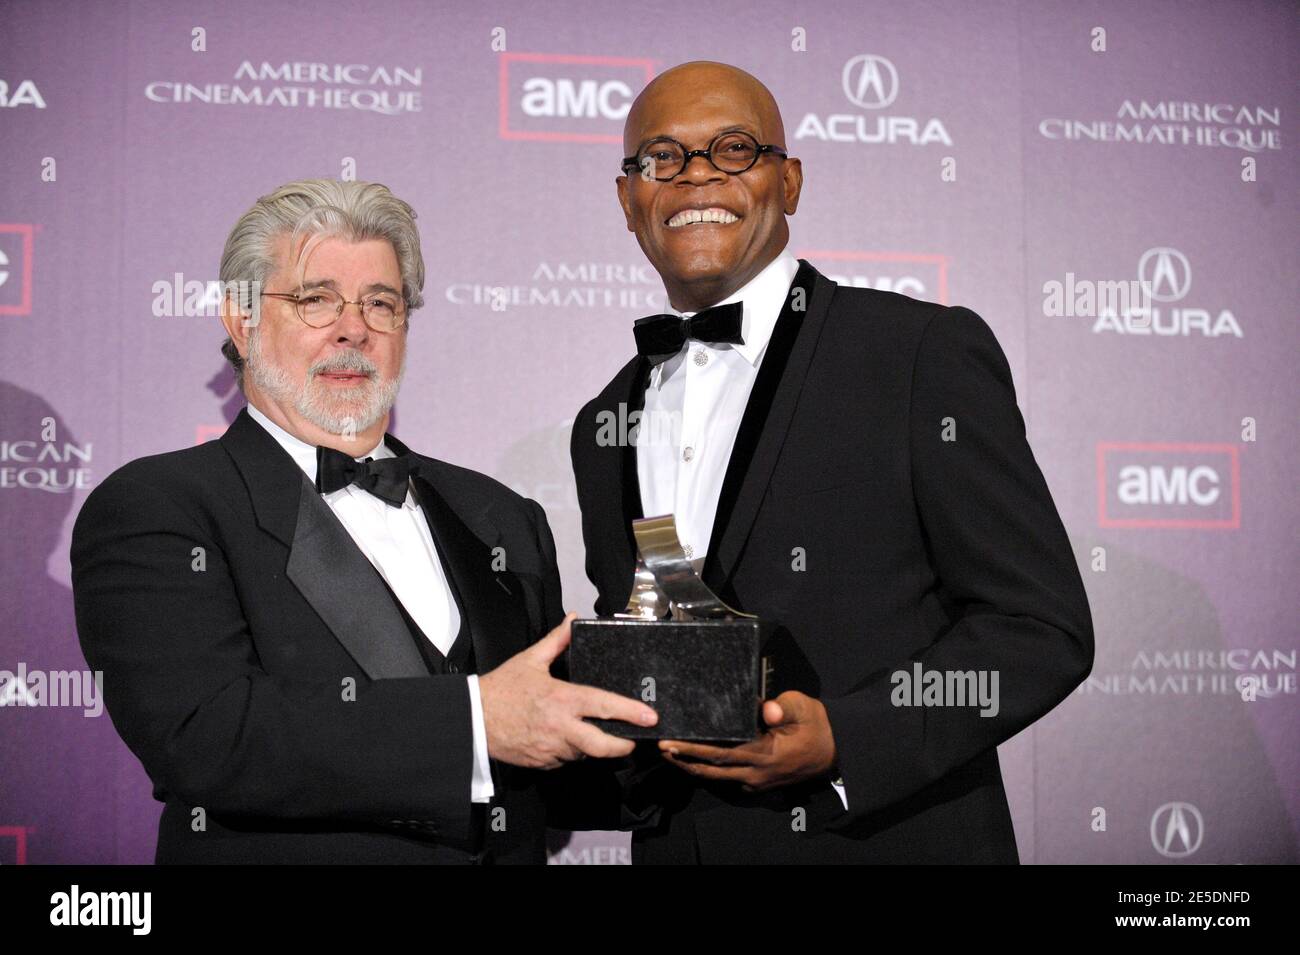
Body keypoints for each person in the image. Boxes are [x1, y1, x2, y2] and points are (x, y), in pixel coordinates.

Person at [569, 62, 1094, 863]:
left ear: (789, 181)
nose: (696, 174)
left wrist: (848, 737)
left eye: (733, 148)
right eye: (662, 157)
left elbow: (1039, 627)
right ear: (628, 199)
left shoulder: (917, 355)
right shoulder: (601, 423)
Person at [71, 179, 655, 864]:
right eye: (316, 299)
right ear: (242, 321)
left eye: (381, 302)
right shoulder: (159, 506)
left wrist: (685, 729)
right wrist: (474, 722)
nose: (354, 328)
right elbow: (209, 738)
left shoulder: (499, 516)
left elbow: (552, 768)